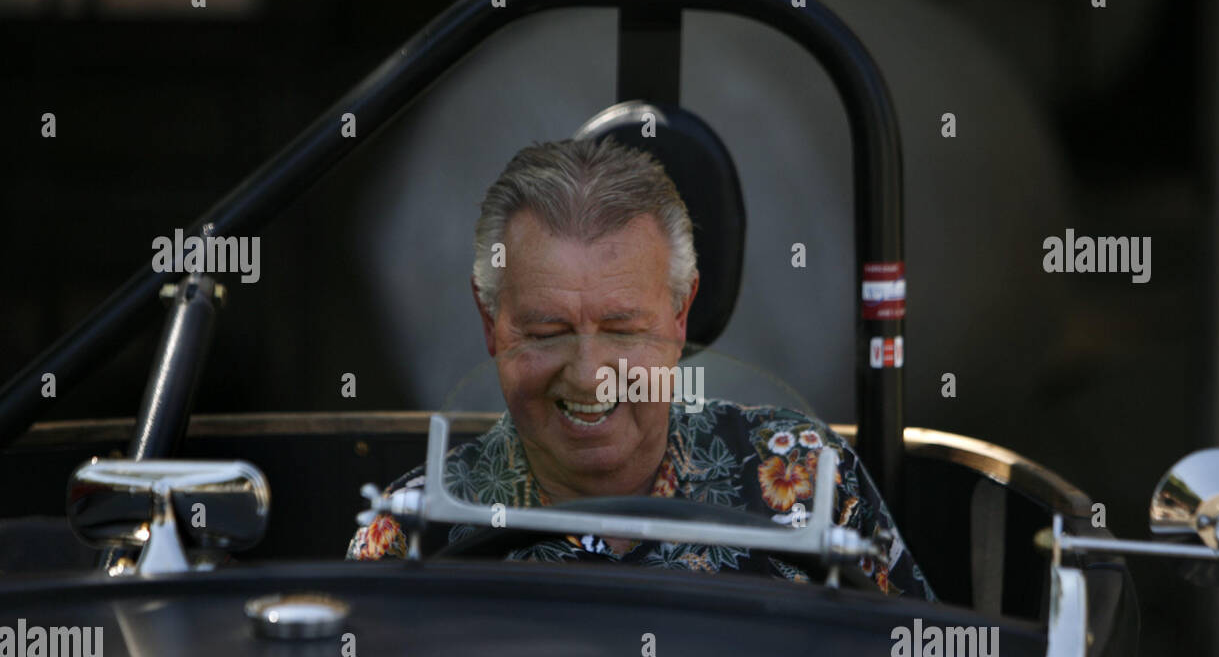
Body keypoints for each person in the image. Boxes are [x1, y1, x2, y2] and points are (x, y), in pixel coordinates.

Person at [348, 137, 934, 600]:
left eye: (623, 330)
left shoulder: (807, 477)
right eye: (546, 333)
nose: (587, 375)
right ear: (489, 324)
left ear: (680, 316)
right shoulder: (412, 533)